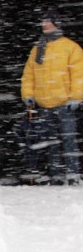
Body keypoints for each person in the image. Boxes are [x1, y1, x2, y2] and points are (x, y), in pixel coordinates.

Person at [19, 10, 83, 184]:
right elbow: (29, 75)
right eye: (43, 21)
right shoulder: (38, 48)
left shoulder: (71, 48)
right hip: (44, 105)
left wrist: (76, 96)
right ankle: (56, 175)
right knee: (51, 142)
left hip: (65, 104)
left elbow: (78, 74)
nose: (44, 25)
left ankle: (73, 174)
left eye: (48, 21)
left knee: (69, 140)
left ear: (56, 23)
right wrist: (29, 96)